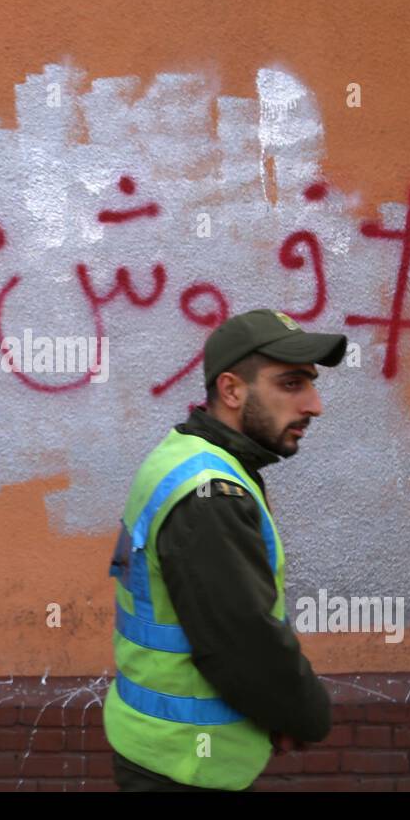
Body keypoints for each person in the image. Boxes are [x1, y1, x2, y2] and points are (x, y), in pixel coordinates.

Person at [104, 308, 348, 791]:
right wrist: (306, 716)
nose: (314, 405)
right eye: (292, 384)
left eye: (311, 384)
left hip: (162, 748)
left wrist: (277, 708)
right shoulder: (210, 495)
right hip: (185, 766)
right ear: (232, 390)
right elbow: (242, 644)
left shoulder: (185, 456)